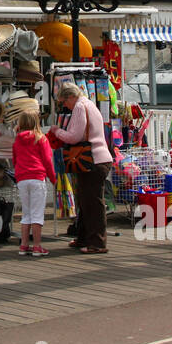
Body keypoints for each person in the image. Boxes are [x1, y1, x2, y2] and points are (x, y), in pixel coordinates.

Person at [48, 82, 112, 254]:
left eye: (64, 102)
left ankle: (97, 243)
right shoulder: (89, 104)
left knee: (91, 203)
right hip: (98, 159)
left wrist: (56, 131)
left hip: (92, 160)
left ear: (70, 97)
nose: (65, 106)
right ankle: (84, 237)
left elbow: (74, 136)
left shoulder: (79, 107)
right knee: (86, 201)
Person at [12, 110, 56, 256]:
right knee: (37, 213)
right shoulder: (41, 138)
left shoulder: (17, 140)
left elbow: (15, 160)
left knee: (26, 213)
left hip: (22, 179)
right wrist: (53, 178)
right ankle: (37, 246)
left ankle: (24, 245)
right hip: (37, 177)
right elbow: (47, 160)